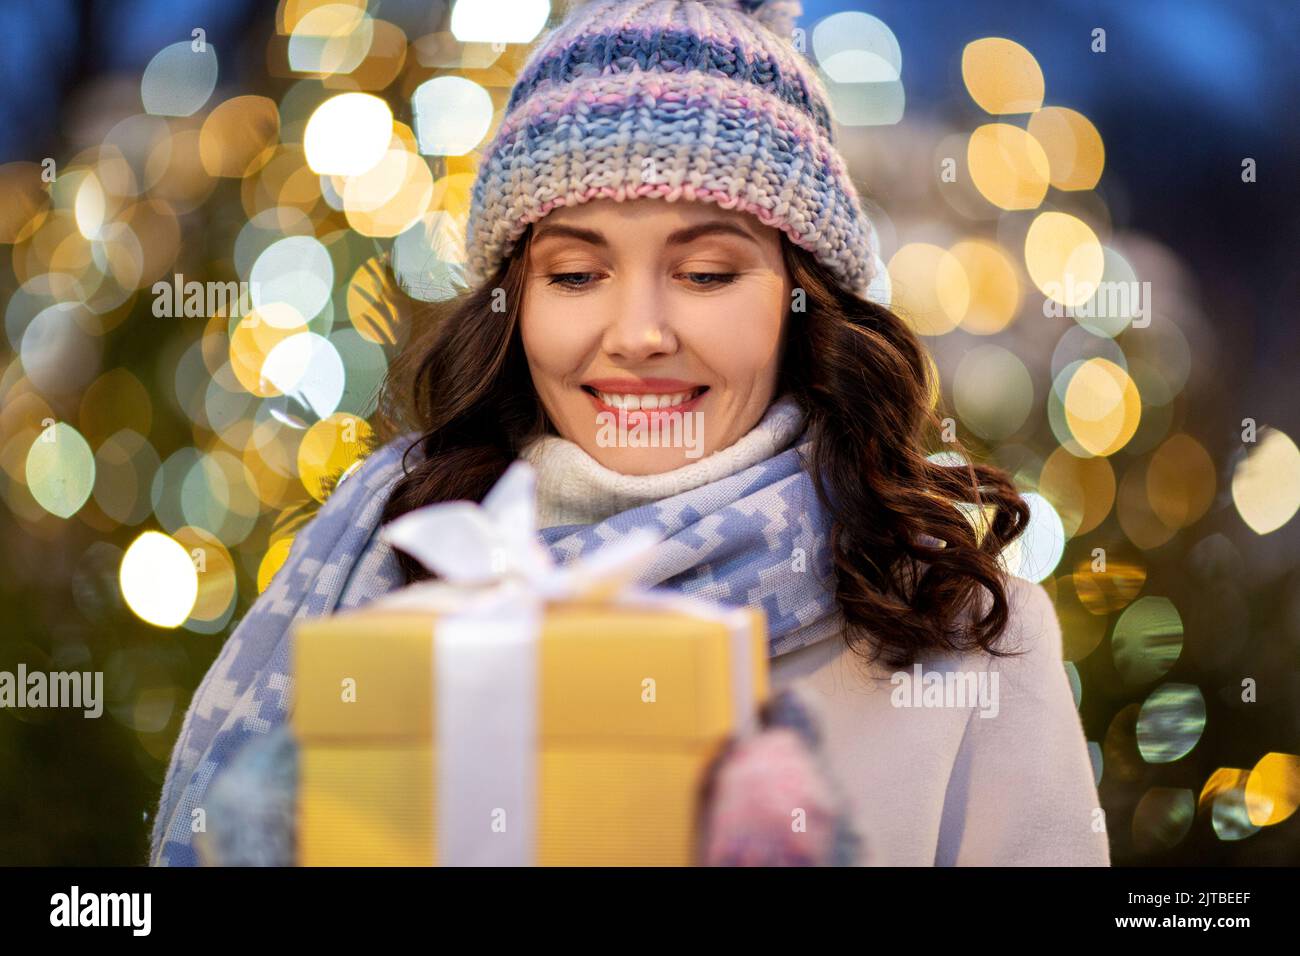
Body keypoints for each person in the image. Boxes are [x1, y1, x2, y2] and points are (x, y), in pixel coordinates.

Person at [149, 0, 1110, 867]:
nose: (640, 333)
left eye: (707, 274)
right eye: (575, 276)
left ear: (801, 300)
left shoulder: (966, 639)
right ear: (512, 306)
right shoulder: (392, 564)